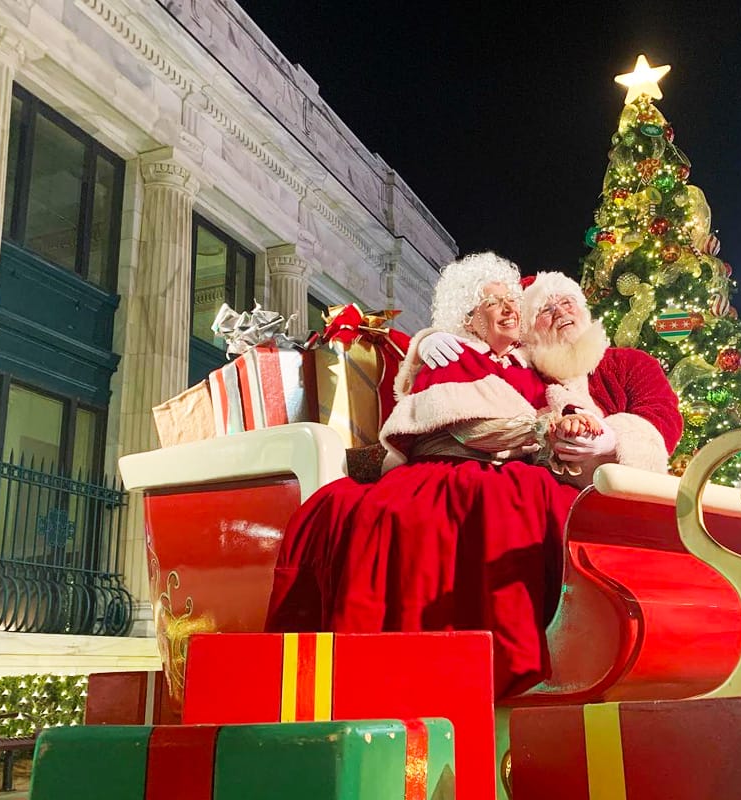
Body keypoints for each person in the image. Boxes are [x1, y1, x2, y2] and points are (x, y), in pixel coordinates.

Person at [265, 253, 591, 698]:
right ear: (470, 319)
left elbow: (563, 404)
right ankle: (457, 671)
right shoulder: (452, 357)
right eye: (493, 303)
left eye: (512, 300)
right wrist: (541, 429)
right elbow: (466, 424)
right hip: (451, 469)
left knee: (558, 505)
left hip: (517, 470)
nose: (510, 309)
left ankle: (562, 656)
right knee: (474, 512)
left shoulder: (529, 368)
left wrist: (570, 422)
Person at [420, 270, 682, 483]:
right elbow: (479, 348)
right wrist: (429, 338)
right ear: (529, 331)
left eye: (567, 302)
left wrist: (613, 440)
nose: (560, 312)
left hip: (631, 490)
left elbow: (663, 415)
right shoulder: (525, 371)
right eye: (545, 310)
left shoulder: (630, 362)